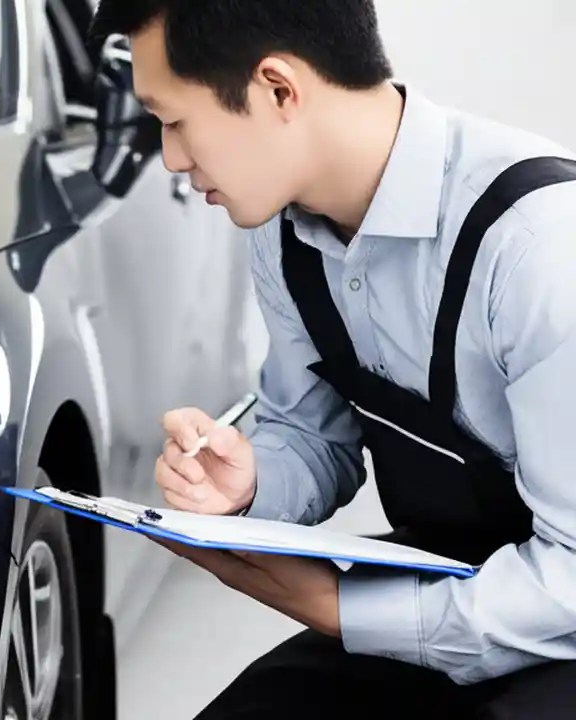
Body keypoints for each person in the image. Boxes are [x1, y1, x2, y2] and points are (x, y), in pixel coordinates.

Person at [88, 1, 576, 717]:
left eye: (174, 120)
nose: (171, 159)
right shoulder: (279, 231)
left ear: (278, 89)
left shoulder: (539, 248)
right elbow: (313, 437)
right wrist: (248, 484)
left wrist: (341, 611)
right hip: (459, 583)